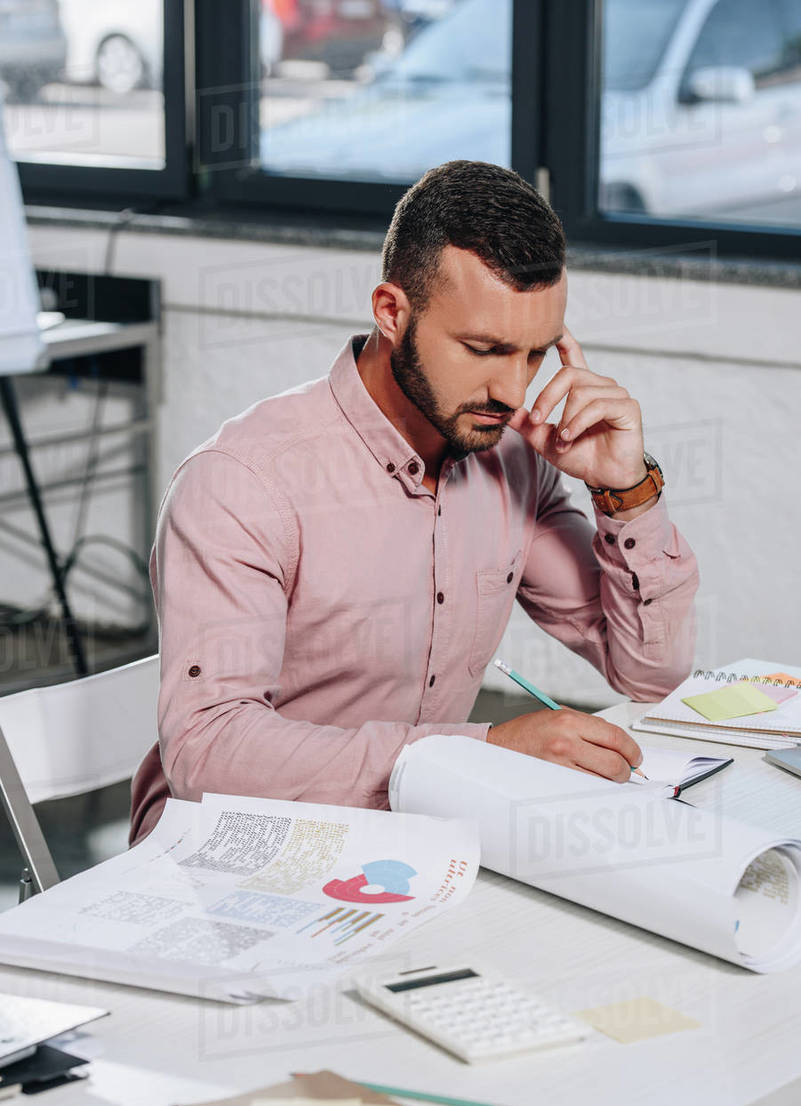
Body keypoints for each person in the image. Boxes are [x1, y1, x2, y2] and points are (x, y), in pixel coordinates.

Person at [130, 160, 698, 844]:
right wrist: (473, 755)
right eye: (483, 349)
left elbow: (647, 671)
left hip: (412, 839)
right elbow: (207, 753)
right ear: (392, 312)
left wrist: (624, 491)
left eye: (534, 355)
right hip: (229, 848)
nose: (513, 393)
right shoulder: (242, 481)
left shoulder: (512, 459)